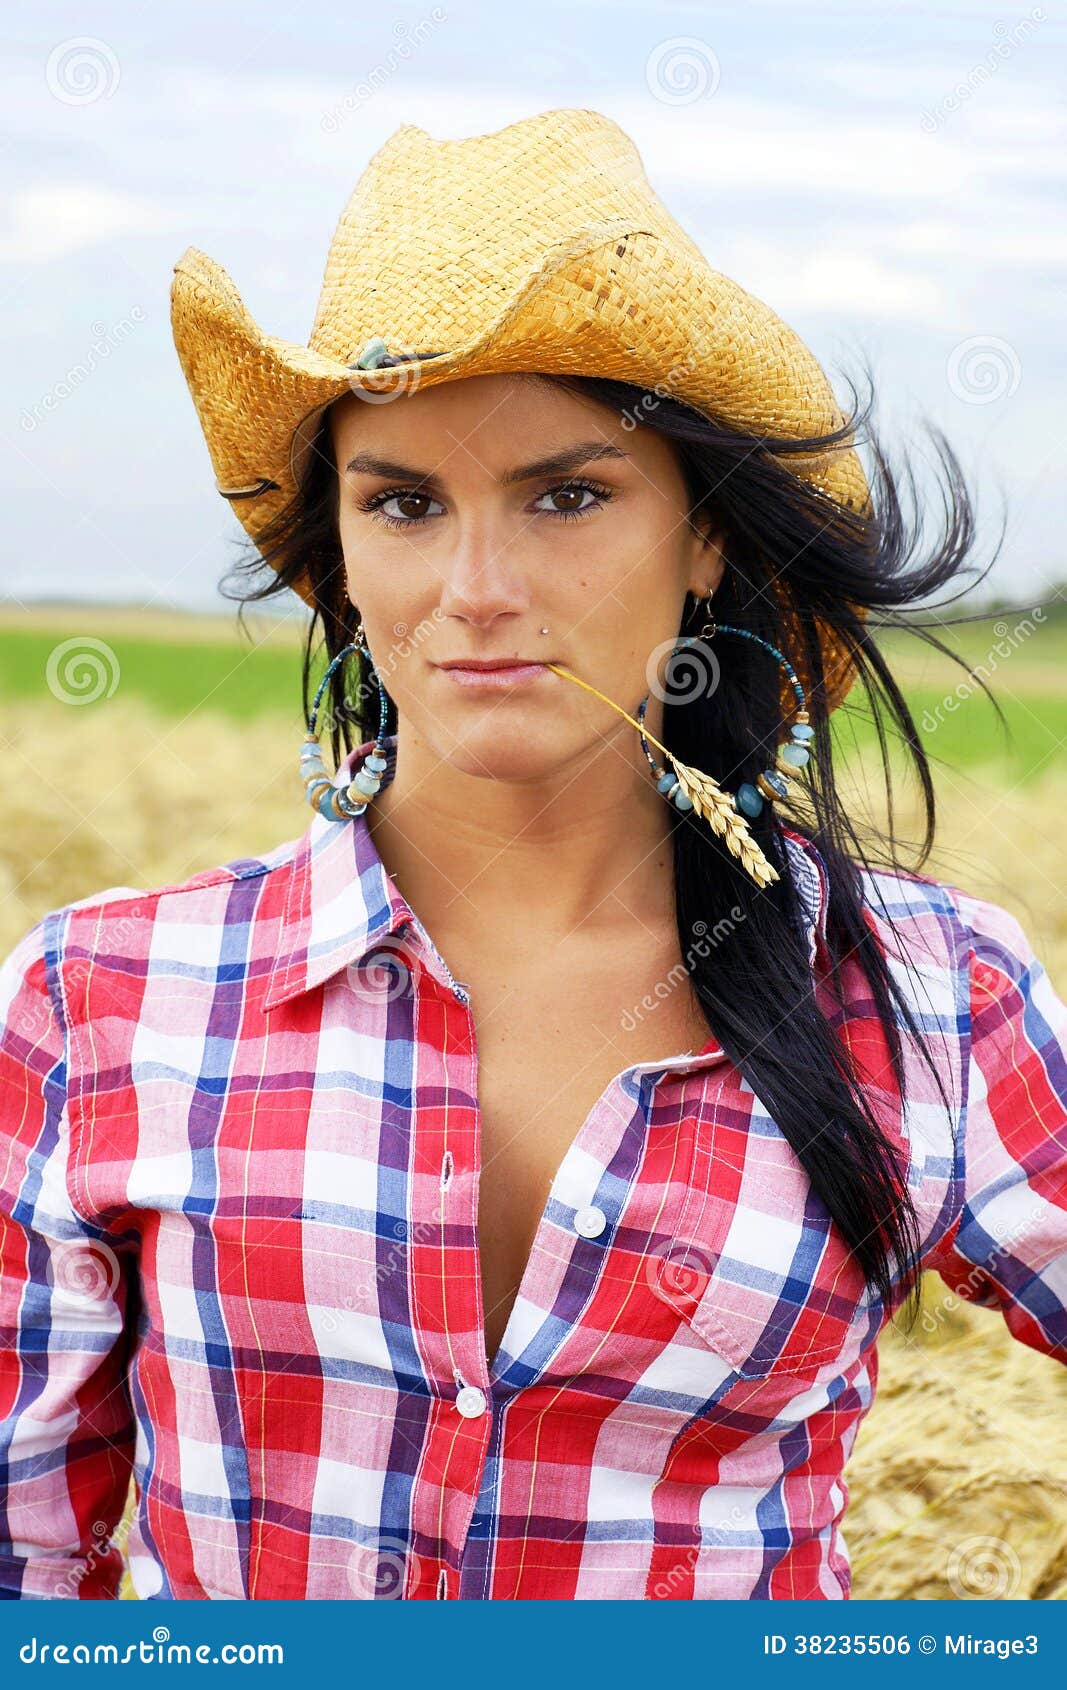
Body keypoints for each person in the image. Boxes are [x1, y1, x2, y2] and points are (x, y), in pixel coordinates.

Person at [1, 107, 1065, 1603]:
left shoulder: (931, 994)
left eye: (569, 494)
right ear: (339, 551)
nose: (477, 589)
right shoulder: (100, 1000)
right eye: (404, 504)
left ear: (704, 536)